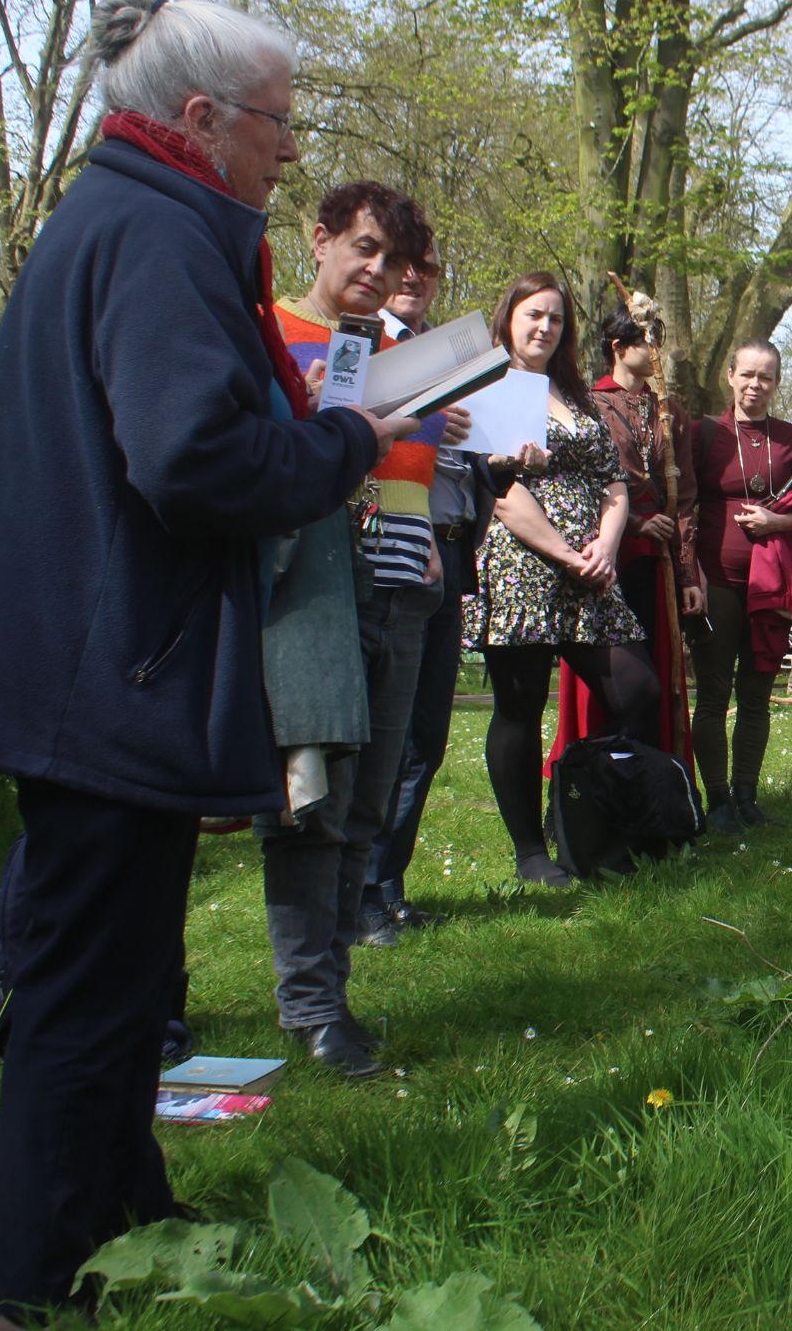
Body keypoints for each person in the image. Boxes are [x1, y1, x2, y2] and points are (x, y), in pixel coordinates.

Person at [0, 0, 408, 1318]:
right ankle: (38, 1278)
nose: (290, 149)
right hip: (114, 664)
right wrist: (346, 443)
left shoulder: (121, 215)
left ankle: (124, 1212)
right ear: (201, 115)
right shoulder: (162, 235)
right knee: (84, 987)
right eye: (278, 122)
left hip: (97, 655)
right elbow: (194, 454)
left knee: (114, 974)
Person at [266, 182, 447, 1075]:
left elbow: (412, 465)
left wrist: (429, 542)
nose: (379, 272)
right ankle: (311, 1002)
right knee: (316, 802)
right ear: (320, 240)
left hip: (401, 589)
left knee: (370, 800)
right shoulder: (267, 333)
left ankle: (329, 987)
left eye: (397, 261)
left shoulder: (403, 350)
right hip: (312, 589)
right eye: (364, 249)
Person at [464, 272, 663, 883]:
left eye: (555, 318)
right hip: (524, 565)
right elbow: (502, 494)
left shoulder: (575, 395)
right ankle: (531, 853)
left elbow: (613, 481)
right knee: (519, 708)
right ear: (508, 319)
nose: (545, 327)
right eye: (534, 315)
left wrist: (603, 544)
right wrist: (565, 553)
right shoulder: (489, 387)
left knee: (637, 692)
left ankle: (593, 823)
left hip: (592, 572)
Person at [362, 238, 495, 941]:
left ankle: (387, 885)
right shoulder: (362, 346)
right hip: (388, 554)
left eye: (427, 268)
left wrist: (487, 452)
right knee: (383, 735)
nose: (412, 277)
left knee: (425, 739)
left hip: (446, 549)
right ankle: (360, 893)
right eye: (398, 263)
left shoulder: (451, 361)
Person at [688, 339, 792, 832]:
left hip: (773, 585)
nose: (755, 385)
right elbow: (682, 504)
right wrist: (688, 573)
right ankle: (717, 799)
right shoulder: (704, 433)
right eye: (747, 374)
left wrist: (777, 521)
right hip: (715, 581)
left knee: (757, 692)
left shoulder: (791, 438)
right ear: (730, 376)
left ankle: (747, 795)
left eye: (766, 377)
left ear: (777, 383)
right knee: (713, 692)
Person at [586, 299, 702, 756]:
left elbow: (687, 496)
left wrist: (689, 572)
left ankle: (659, 789)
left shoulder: (669, 412)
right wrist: (632, 522)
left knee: (660, 676)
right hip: (608, 558)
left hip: (660, 565)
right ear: (618, 346)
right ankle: (602, 789)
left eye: (658, 337)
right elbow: (584, 483)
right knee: (615, 684)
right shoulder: (588, 405)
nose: (655, 348)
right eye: (647, 338)